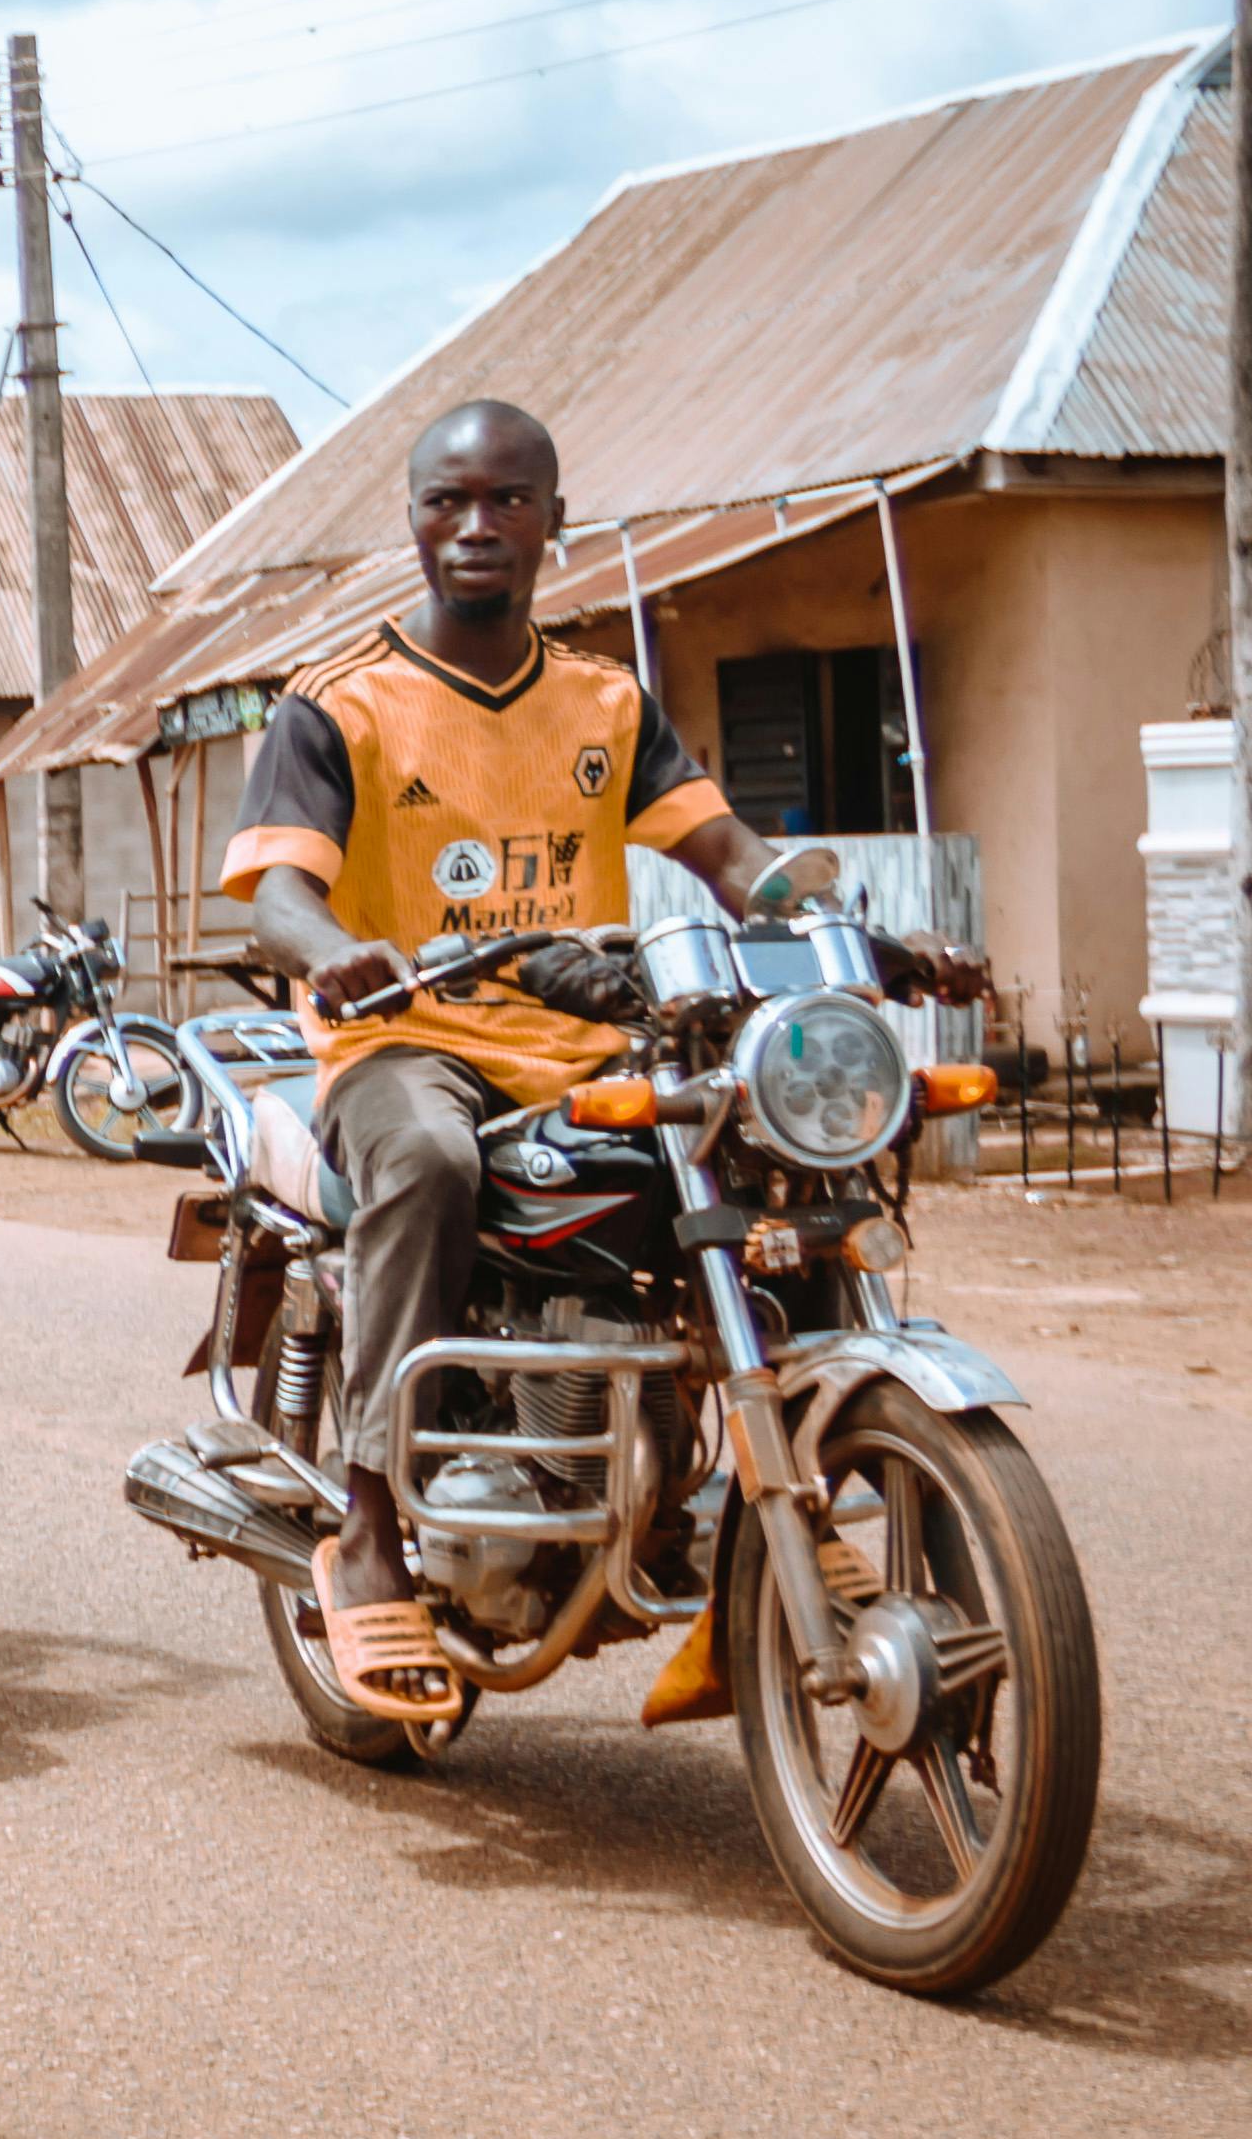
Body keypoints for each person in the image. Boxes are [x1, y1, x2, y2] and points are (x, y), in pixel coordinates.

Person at [218, 397, 975, 1726]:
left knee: (760, 1164)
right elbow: (277, 893)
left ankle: (762, 1499)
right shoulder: (339, 706)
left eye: (507, 500)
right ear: (413, 523)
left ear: (553, 522)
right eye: (448, 503)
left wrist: (860, 937)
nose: (476, 527)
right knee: (429, 1162)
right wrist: (333, 946)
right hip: (411, 1040)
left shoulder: (605, 702)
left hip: (583, 1041)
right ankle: (376, 1523)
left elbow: (734, 861)